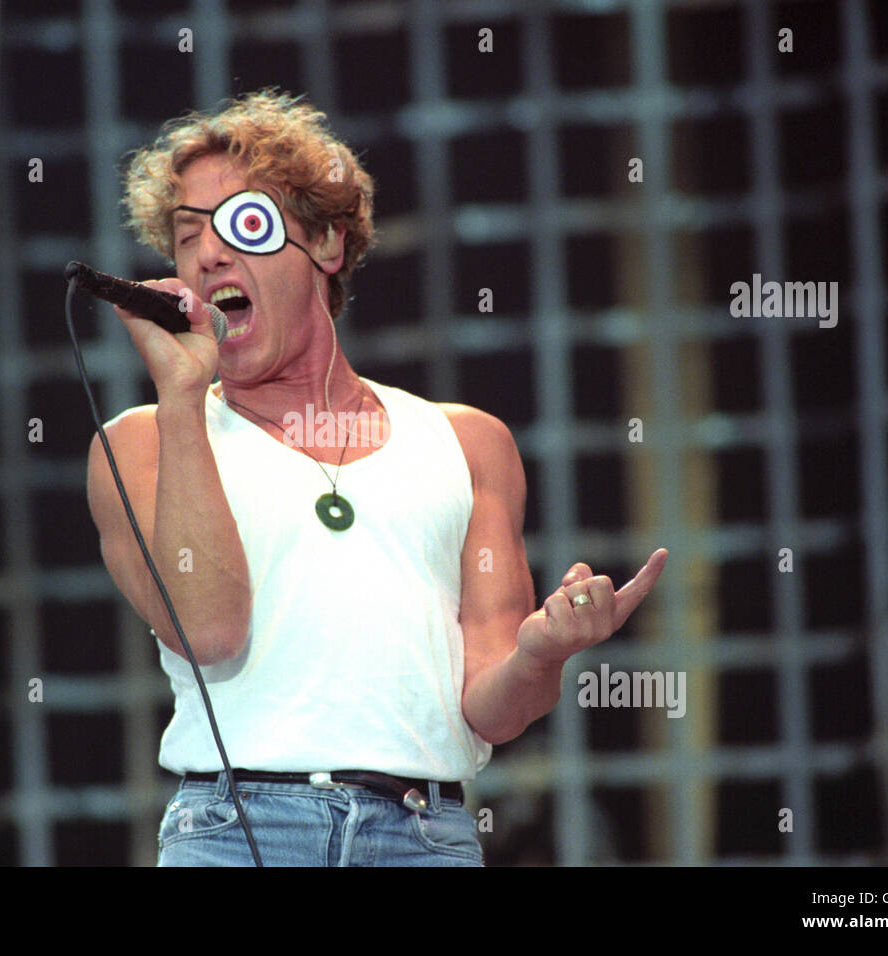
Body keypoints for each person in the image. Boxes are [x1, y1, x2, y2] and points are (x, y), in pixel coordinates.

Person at [85, 90, 667, 866]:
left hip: (422, 836)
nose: (209, 256)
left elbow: (492, 707)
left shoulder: (468, 443)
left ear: (325, 241)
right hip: (237, 836)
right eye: (188, 238)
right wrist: (185, 399)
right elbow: (212, 632)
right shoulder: (144, 443)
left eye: (242, 225)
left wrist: (542, 653)